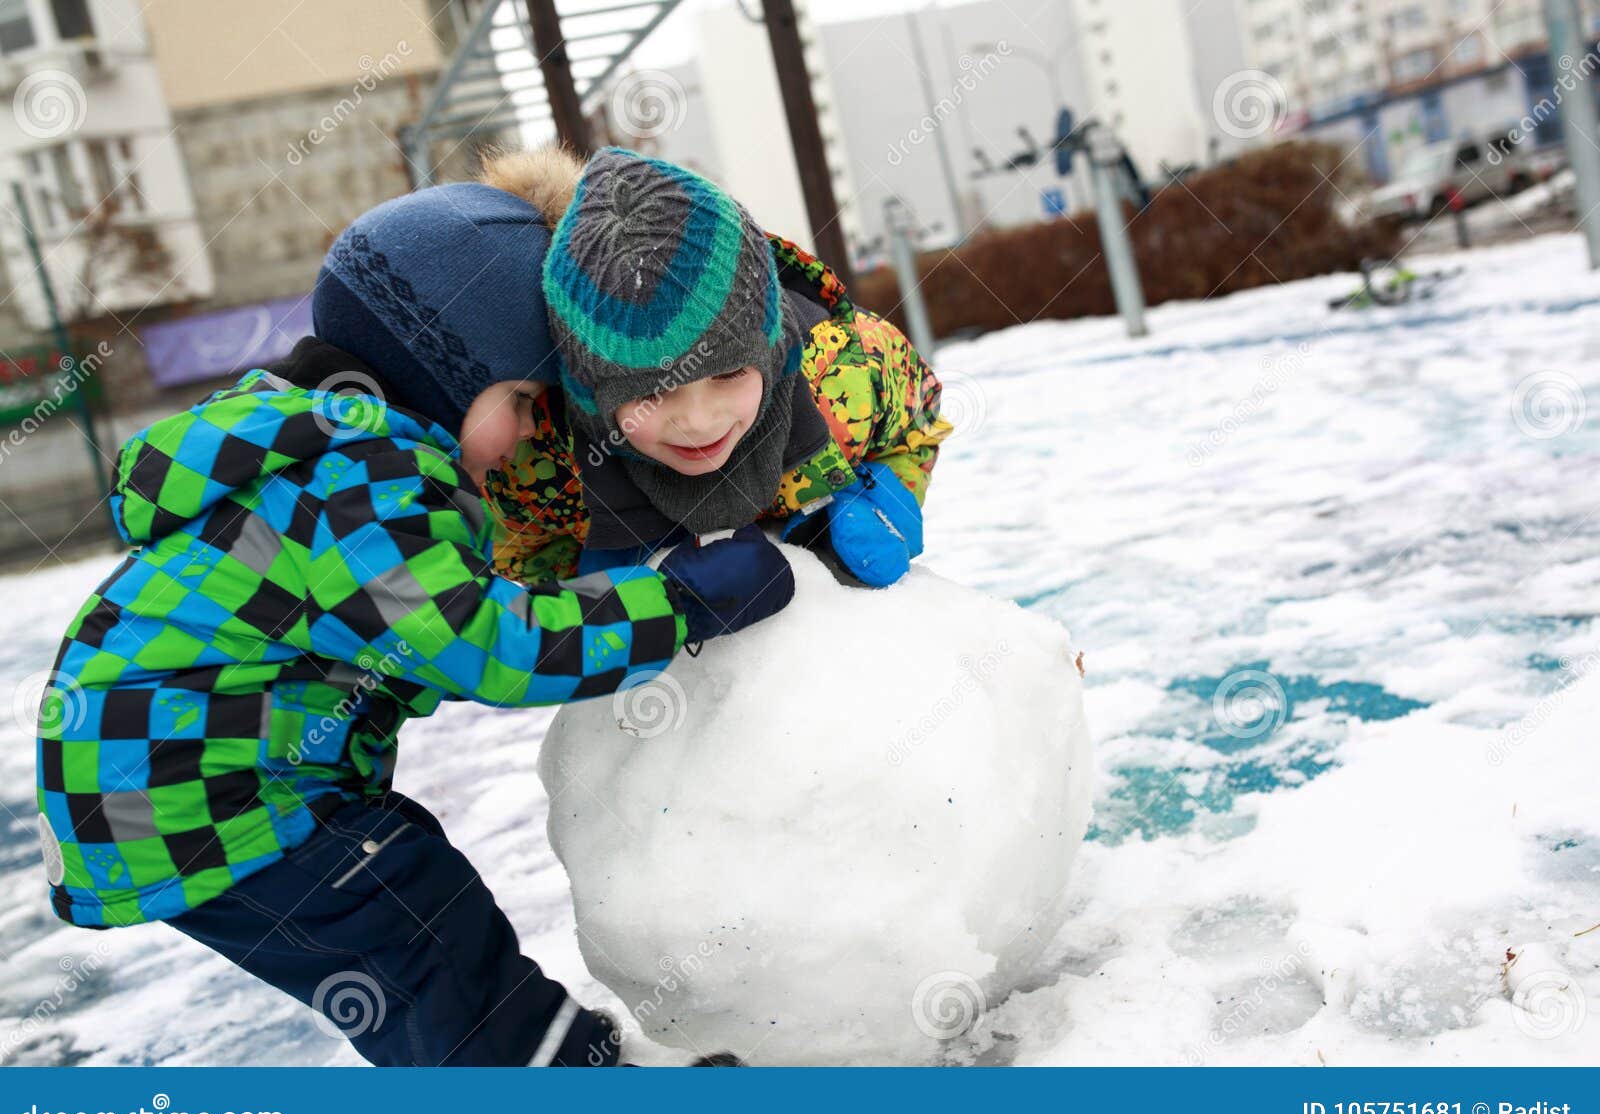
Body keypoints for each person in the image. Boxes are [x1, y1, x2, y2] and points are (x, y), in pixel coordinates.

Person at [33, 180, 792, 1067]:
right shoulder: (354, 481)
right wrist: (679, 602)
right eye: (522, 399)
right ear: (448, 375)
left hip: (175, 778)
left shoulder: (318, 453)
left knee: (411, 907)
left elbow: (422, 626)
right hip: (187, 786)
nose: (527, 432)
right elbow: (477, 643)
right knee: (417, 941)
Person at [473, 145, 953, 592]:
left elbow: (918, 417)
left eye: (728, 374)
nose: (699, 422)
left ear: (773, 351)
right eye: (651, 394)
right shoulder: (544, 460)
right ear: (586, 396)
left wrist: (888, 495)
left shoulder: (842, 368)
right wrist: (599, 590)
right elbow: (520, 549)